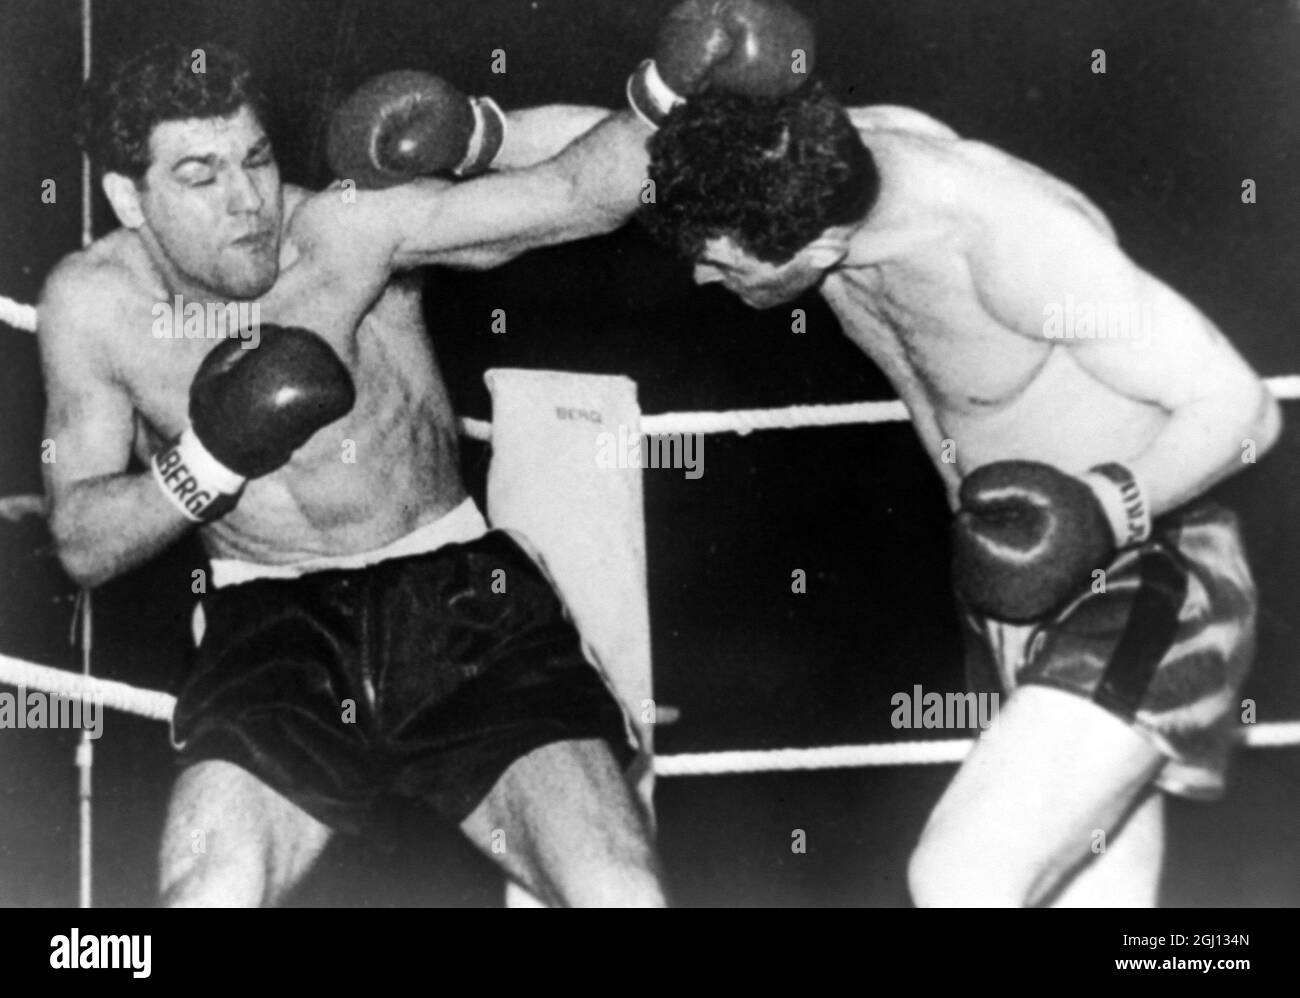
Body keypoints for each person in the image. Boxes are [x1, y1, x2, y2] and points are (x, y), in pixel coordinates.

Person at [38, 1, 812, 907]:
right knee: (209, 894)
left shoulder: (346, 230)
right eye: (201, 176)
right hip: (272, 638)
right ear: (130, 199)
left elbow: (577, 194)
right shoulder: (92, 307)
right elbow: (82, 542)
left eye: (256, 158)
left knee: (620, 890)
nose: (247, 201)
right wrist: (211, 460)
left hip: (462, 608)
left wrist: (671, 85)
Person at [638, 81, 1280, 906]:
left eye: (724, 262)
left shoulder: (1011, 238)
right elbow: (601, 154)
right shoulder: (789, 165)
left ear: (819, 246)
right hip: (1007, 587)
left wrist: (1099, 510)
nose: (699, 276)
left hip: (1139, 565)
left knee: (963, 879)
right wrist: (480, 135)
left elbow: (1241, 407)